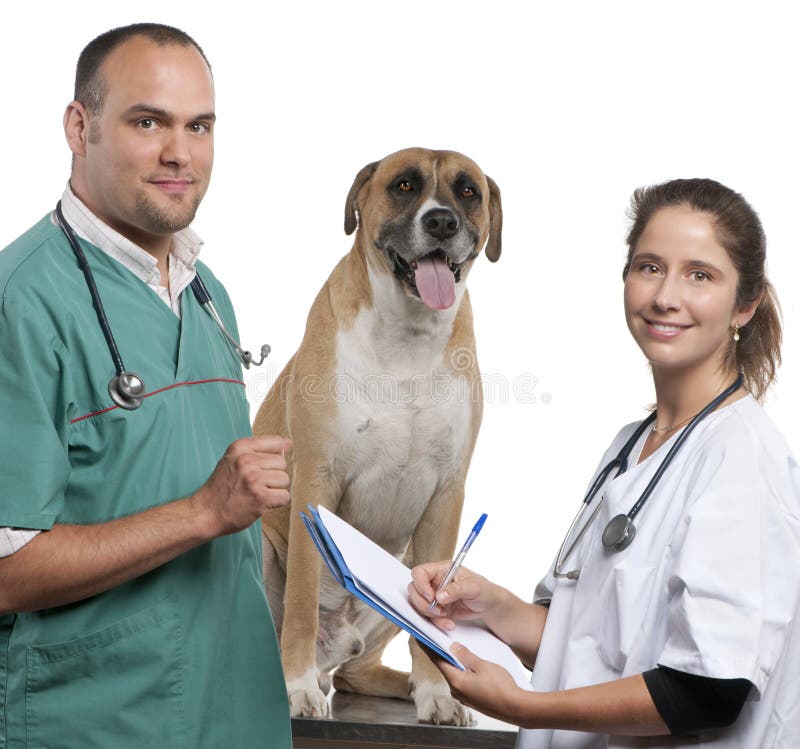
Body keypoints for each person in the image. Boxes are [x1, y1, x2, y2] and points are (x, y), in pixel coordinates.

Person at [408, 178, 800, 748]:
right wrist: (492, 606)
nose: (666, 296)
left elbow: (708, 688)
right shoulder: (632, 444)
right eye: (649, 267)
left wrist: (526, 705)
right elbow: (595, 641)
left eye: (700, 275)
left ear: (746, 303)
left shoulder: (740, 461)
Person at [0, 23, 292, 748]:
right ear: (79, 125)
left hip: (237, 713)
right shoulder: (22, 301)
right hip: (103, 724)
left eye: (200, 126)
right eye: (147, 122)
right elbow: (7, 570)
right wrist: (200, 512)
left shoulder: (206, 294)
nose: (179, 153)